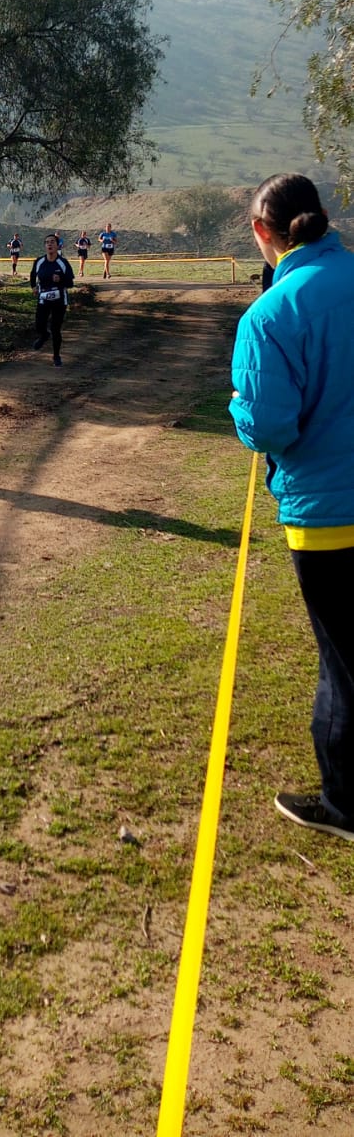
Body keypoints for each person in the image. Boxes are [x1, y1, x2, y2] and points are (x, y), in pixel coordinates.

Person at [229, 173, 354, 841]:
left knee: (340, 664)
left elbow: (268, 427)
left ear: (262, 235)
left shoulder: (270, 315)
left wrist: (237, 407)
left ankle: (343, 802)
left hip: (328, 521)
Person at [29, 234, 74, 365]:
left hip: (59, 300)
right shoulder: (39, 261)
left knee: (56, 328)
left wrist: (61, 280)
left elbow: (70, 283)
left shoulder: (63, 263)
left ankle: (56, 356)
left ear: (57, 245)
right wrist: (33, 287)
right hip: (43, 298)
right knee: (39, 324)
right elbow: (33, 275)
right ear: (45, 246)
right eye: (47, 242)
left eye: (52, 242)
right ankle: (44, 335)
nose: (49, 245)